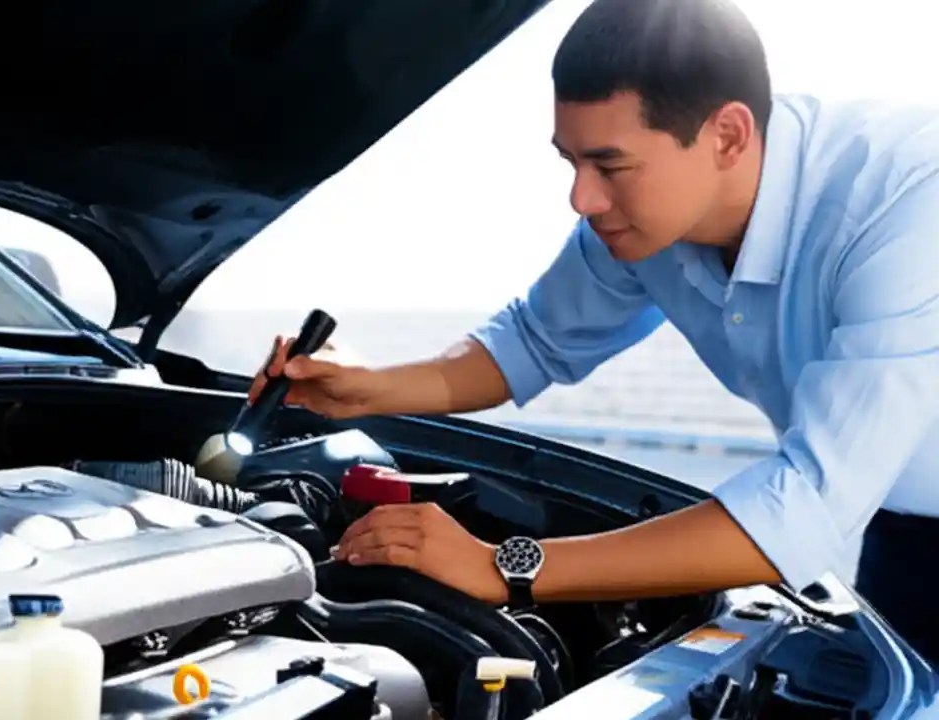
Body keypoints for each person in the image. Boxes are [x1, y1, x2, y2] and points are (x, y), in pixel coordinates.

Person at [248, 0, 939, 665]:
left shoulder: (908, 200)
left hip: (861, 499)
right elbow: (531, 342)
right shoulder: (646, 219)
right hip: (901, 516)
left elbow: (805, 506)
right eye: (571, 162)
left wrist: (506, 566)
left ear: (727, 135)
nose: (582, 199)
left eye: (609, 165)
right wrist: (368, 388)